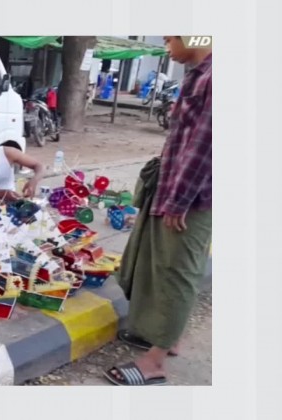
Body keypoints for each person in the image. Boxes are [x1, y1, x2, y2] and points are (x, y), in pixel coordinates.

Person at [104, 36, 212, 386]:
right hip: (175, 191)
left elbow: (206, 147)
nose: (166, 44)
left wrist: (179, 199)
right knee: (165, 268)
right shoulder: (199, 74)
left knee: (177, 273)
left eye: (169, 36)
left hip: (189, 200)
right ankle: (169, 338)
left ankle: (154, 363)